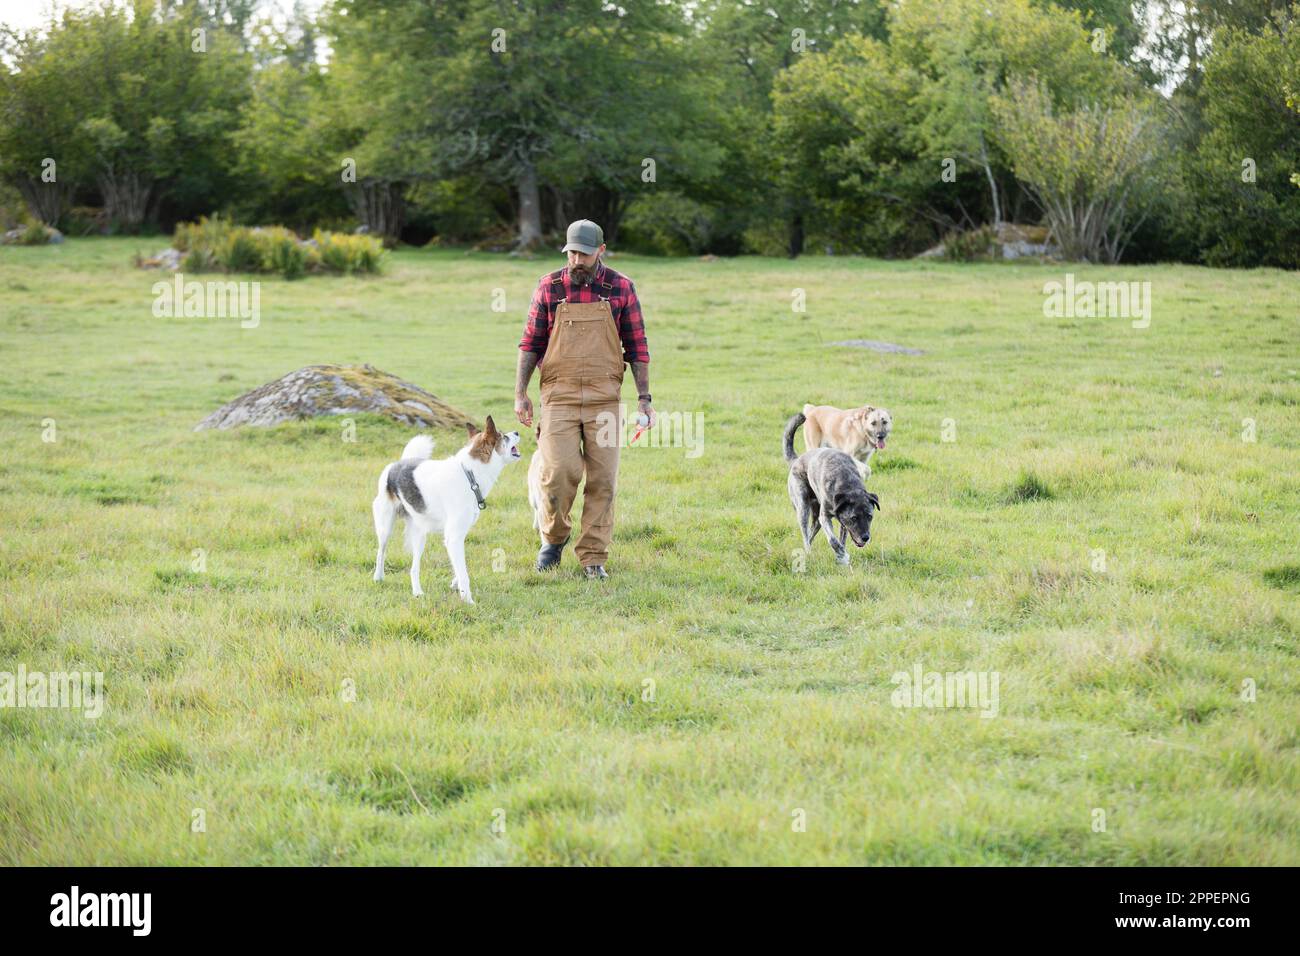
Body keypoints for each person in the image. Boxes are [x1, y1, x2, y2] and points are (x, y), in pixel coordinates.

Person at [514, 219, 654, 579]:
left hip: (604, 399)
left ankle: (593, 556)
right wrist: (521, 394)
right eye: (572, 252)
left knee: (603, 480)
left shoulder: (621, 288)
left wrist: (644, 399)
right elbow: (530, 343)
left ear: (601, 252)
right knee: (559, 472)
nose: (577, 260)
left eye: (584, 254)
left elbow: (637, 346)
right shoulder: (550, 287)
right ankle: (554, 538)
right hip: (558, 397)